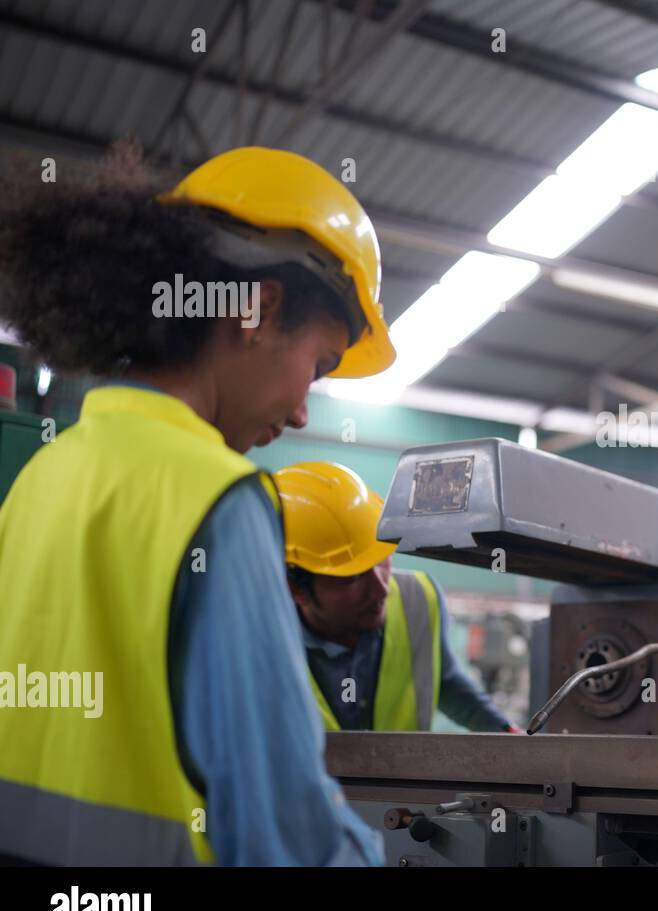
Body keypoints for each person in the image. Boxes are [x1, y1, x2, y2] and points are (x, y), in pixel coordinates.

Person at [0, 145, 396, 865]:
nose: (306, 411)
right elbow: (281, 831)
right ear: (258, 312)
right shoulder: (217, 497)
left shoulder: (41, 476)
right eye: (317, 364)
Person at [276, 461, 519, 733]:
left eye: (381, 561)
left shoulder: (417, 600)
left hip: (399, 775)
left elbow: (445, 682)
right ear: (295, 588)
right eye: (353, 578)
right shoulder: (258, 637)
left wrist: (510, 735)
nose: (381, 589)